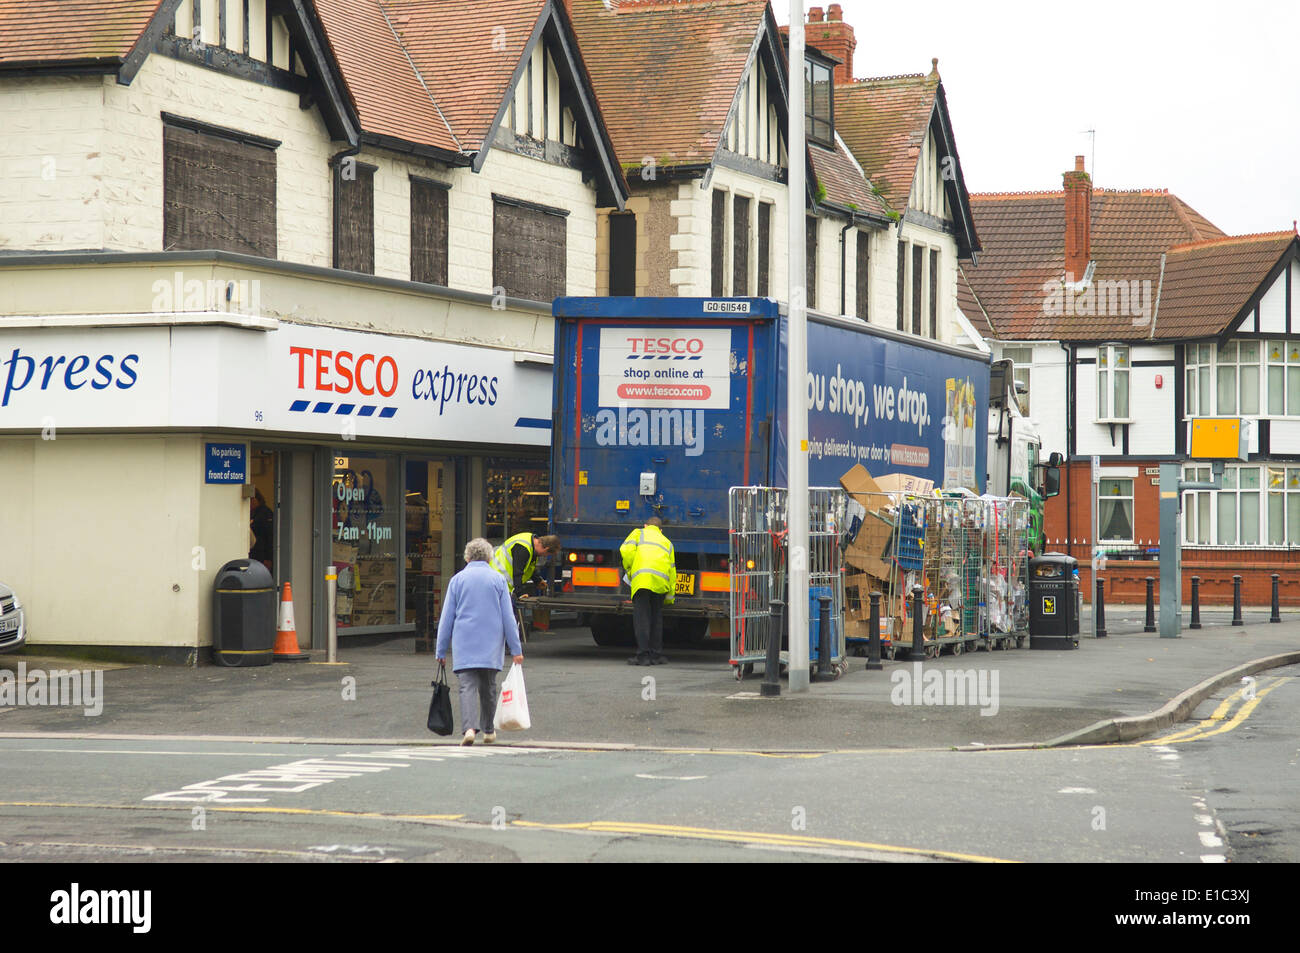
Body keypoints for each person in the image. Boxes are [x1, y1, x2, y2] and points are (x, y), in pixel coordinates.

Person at [436, 538, 524, 746]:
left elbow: (447, 617)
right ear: (489, 556)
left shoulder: (457, 580)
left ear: (467, 557)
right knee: (489, 687)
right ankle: (488, 730)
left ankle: (468, 729)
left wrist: (440, 650)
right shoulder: (498, 580)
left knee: (466, 686)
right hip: (491, 642)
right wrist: (516, 649)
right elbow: (508, 618)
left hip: (464, 641)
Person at [620, 517, 676, 666]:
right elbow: (672, 572)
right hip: (660, 583)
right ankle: (656, 655)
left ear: (645, 525)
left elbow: (625, 550)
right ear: (661, 530)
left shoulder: (638, 533)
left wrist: (630, 568)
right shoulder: (667, 543)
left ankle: (643, 656)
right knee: (656, 618)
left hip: (643, 581)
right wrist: (670, 597)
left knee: (642, 619)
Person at [490, 532, 561, 597]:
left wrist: (537, 580)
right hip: (496, 581)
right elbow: (518, 572)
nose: (544, 556)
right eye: (547, 554)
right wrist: (520, 593)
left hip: (499, 582)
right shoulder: (523, 548)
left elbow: (527, 567)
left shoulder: (530, 543)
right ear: (546, 549)